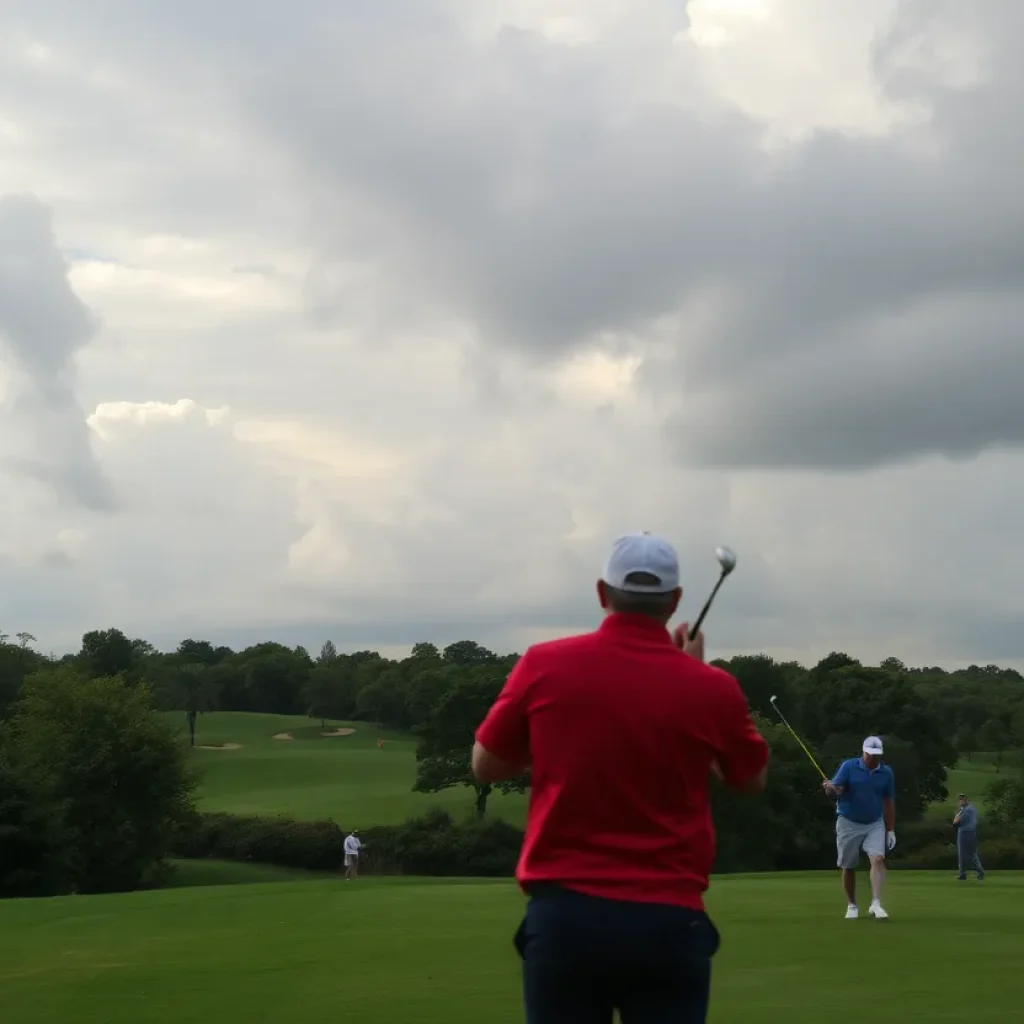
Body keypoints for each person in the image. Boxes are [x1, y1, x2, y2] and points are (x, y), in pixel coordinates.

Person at [472, 531, 770, 1024]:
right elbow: (749, 779)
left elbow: (486, 765)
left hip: (565, 920)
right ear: (675, 601)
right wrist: (692, 677)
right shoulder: (713, 688)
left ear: (601, 593)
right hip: (668, 923)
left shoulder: (542, 664)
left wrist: (558, 741)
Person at [822, 736, 895, 920]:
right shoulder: (849, 766)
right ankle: (852, 905)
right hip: (848, 821)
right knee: (848, 866)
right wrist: (831, 789)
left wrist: (891, 829)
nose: (873, 759)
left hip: (874, 822)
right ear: (863, 752)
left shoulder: (886, 773)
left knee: (878, 859)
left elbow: (888, 801)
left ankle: (876, 903)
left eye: (877, 755)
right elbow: (836, 790)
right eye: (870, 755)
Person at [953, 794, 984, 881]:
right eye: (959, 800)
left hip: (965, 832)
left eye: (961, 800)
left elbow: (956, 822)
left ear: (966, 800)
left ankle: (974, 872)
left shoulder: (966, 810)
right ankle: (964, 874)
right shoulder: (971, 808)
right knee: (970, 853)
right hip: (970, 832)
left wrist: (956, 817)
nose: (960, 802)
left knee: (966, 853)